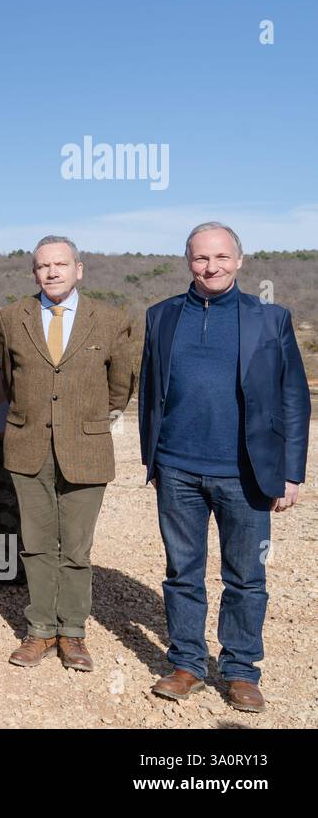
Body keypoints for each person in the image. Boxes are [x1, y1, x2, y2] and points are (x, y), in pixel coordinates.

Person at [139, 222, 309, 712]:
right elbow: (151, 390)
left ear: (239, 260)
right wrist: (152, 460)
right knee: (182, 573)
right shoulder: (161, 316)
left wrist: (291, 473)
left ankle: (239, 671)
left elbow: (294, 398)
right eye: (199, 258)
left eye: (220, 257)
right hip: (177, 470)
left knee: (246, 577)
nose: (210, 267)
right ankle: (187, 664)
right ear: (187, 261)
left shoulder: (270, 318)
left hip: (246, 474)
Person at [0, 235, 135, 672]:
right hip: (28, 445)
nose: (51, 272)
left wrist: (89, 419)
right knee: (36, 546)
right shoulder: (11, 317)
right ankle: (40, 631)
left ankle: (73, 633)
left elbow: (121, 386)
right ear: (33, 273)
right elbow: (9, 379)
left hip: (86, 448)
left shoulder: (112, 320)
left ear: (79, 269)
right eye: (43, 266)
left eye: (60, 264)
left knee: (76, 548)